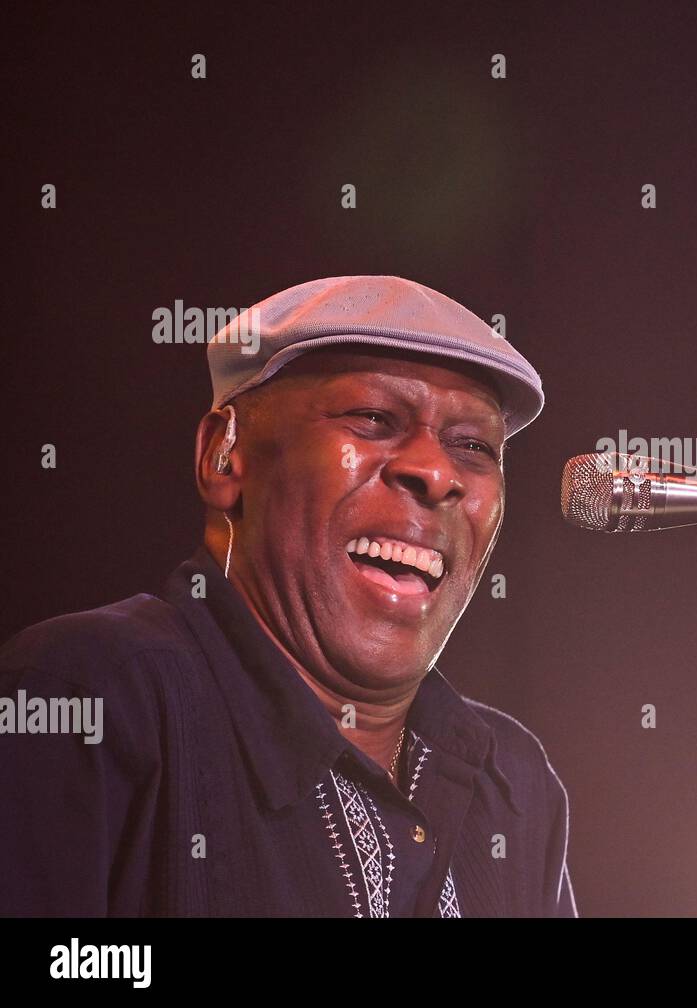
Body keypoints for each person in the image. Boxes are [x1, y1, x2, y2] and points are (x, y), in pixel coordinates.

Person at [0, 275, 576, 917]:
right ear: (225, 456)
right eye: (374, 418)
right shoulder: (87, 696)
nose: (437, 472)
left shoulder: (516, 781)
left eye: (473, 446)